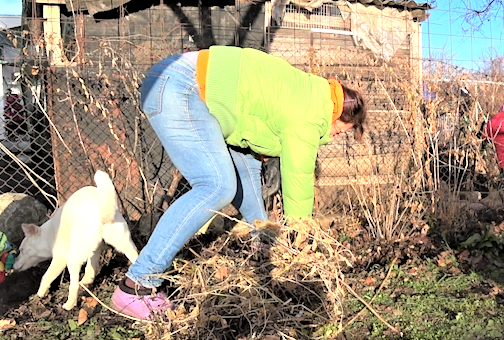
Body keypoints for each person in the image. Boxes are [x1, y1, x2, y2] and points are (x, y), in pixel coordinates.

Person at [111, 46, 367, 320]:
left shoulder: (308, 93)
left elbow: (250, 135)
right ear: (340, 115)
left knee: (247, 167)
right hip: (182, 85)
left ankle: (265, 249)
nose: (334, 136)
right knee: (216, 185)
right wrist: (300, 238)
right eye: (340, 131)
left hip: (186, 84)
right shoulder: (314, 113)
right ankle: (137, 285)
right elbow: (298, 175)